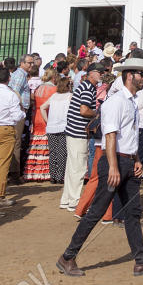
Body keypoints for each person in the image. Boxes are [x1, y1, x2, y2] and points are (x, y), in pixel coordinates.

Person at [56, 53, 143, 278]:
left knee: (133, 212)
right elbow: (110, 136)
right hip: (114, 162)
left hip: (127, 161)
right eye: (141, 74)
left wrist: (136, 159)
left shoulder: (130, 101)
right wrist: (114, 166)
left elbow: (128, 135)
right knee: (97, 210)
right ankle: (68, 256)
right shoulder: (116, 102)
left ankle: (141, 260)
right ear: (129, 76)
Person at [61, 62, 99, 211]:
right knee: (78, 168)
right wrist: (97, 114)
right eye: (100, 72)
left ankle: (67, 200)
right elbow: (84, 110)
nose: (102, 74)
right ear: (91, 74)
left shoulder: (85, 86)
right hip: (78, 133)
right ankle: (74, 201)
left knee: (72, 167)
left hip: (74, 131)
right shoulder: (88, 87)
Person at [0, 70, 25, 207]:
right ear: (9, 79)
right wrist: (22, 113)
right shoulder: (11, 95)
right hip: (5, 130)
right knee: (3, 164)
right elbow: (17, 116)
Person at [23, 65, 58, 181]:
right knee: (46, 142)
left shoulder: (38, 88)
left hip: (36, 115)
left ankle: (33, 171)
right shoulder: (54, 89)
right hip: (47, 115)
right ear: (54, 77)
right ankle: (45, 171)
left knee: (36, 142)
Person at [42, 75, 73, 185]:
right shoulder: (70, 96)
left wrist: (48, 121)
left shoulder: (54, 96)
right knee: (62, 152)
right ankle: (60, 176)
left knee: (53, 152)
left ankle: (53, 176)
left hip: (51, 127)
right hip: (63, 126)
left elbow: (42, 107)